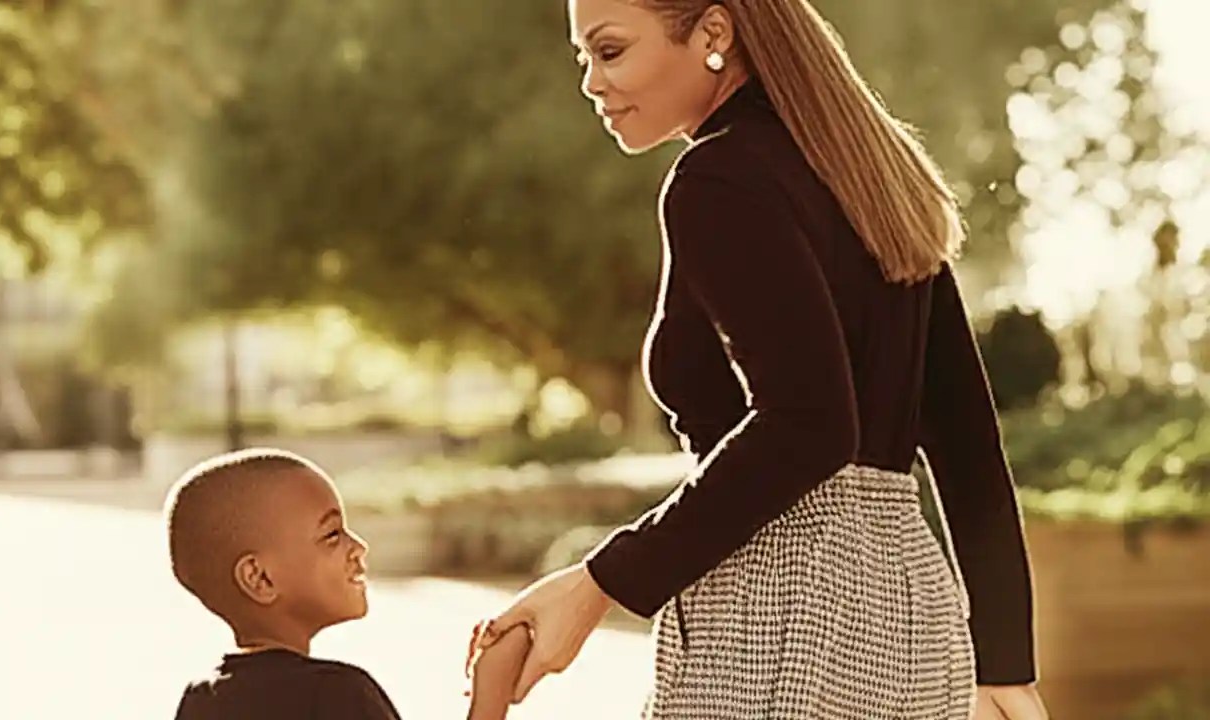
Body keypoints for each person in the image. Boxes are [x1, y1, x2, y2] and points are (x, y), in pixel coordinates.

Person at [468, 1, 1050, 718]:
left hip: (782, 609)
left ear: (713, 32)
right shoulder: (873, 172)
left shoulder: (717, 179)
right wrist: (1005, 665)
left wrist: (598, 584)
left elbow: (809, 425)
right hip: (913, 614)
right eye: (582, 57)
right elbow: (967, 443)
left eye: (610, 51)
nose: (591, 81)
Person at [165, 448, 531, 719]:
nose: (358, 547)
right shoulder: (336, 694)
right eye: (332, 535)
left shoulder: (199, 701)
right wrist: (491, 693)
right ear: (260, 578)